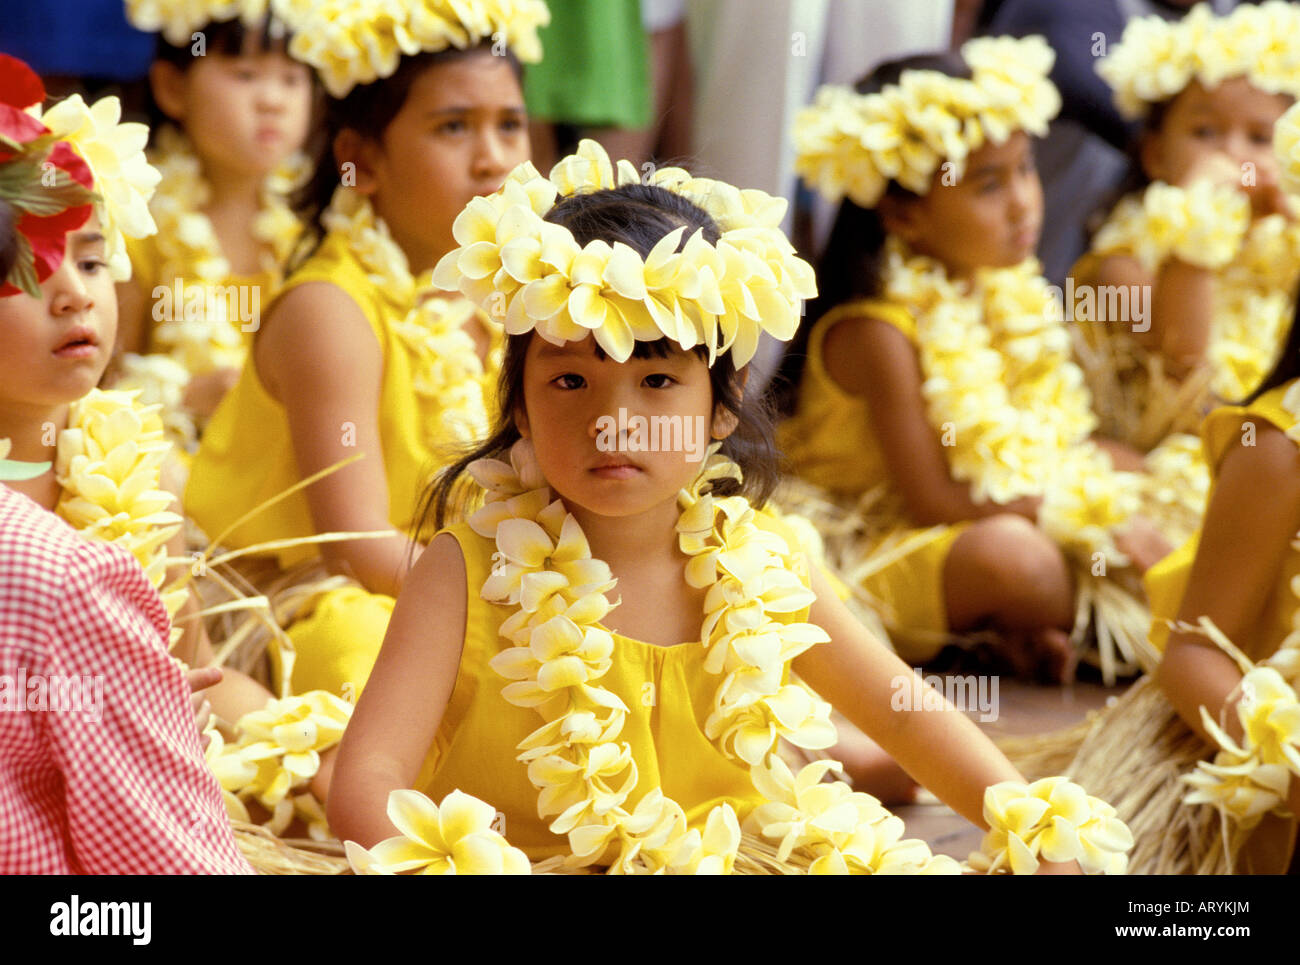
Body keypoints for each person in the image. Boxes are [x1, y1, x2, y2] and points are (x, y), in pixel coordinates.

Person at [327, 139, 1135, 876]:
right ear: (520, 405)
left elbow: (907, 711)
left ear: (723, 403)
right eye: (569, 380)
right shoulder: (463, 571)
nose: (613, 421)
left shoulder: (761, 563)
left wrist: (1026, 822)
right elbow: (368, 776)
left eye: (657, 381)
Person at [775, 37, 1178, 685]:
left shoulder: (997, 289)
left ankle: (1041, 627)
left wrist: (1105, 487)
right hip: (878, 550)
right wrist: (1088, 518)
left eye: (1025, 169)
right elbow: (934, 498)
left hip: (961, 528)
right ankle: (1176, 615)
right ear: (903, 214)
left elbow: (1043, 443)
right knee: (1022, 561)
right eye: (989, 184)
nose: (1022, 202)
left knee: (1150, 469)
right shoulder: (877, 330)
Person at [184, 0, 549, 703]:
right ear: (360, 161)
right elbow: (357, 547)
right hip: (320, 595)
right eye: (453, 127)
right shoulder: (332, 309)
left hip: (475, 574)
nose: (494, 159)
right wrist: (532, 600)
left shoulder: (519, 294)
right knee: (364, 644)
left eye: (510, 124)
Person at [0, 53, 250, 874]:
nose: (74, 294)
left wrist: (311, 741)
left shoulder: (147, 477)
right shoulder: (37, 559)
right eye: (30, 271)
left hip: (161, 787)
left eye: (95, 261)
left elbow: (201, 667)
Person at [1070, 1, 1300, 451]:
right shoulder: (1123, 260)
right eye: (1205, 133)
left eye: (1259, 137)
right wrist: (1198, 225)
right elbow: (1184, 367)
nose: (1231, 154)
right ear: (1154, 155)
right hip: (1178, 464)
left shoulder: (1283, 241)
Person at [112, 0, 316, 450]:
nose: (272, 100)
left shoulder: (320, 226)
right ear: (172, 88)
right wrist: (184, 397)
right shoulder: (134, 224)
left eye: (292, 78)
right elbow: (94, 389)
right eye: (245, 74)